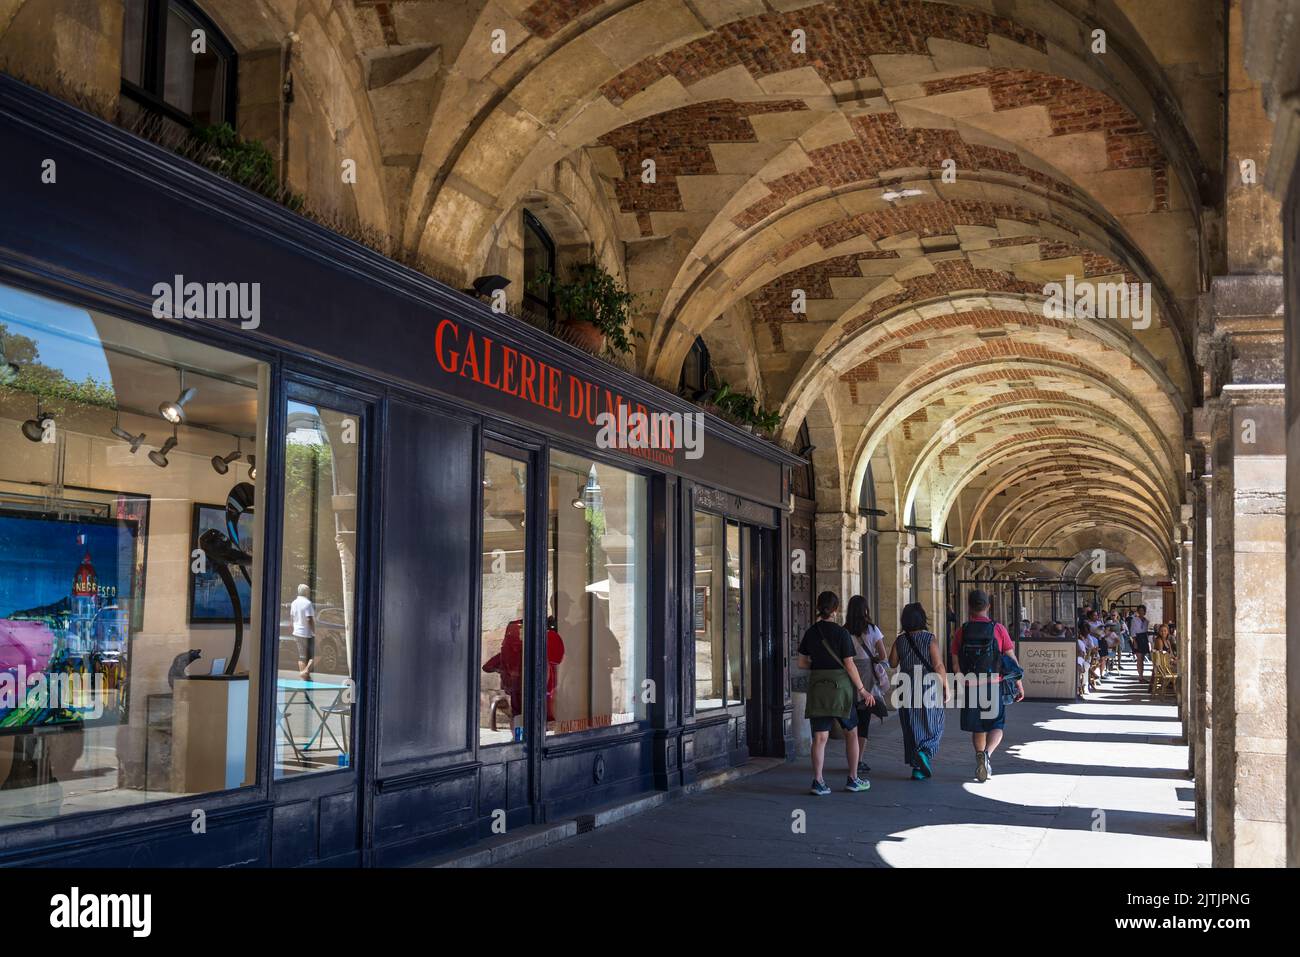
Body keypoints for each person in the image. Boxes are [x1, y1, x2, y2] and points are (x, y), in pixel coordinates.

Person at [798, 591, 874, 795]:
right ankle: (853, 778)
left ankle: (818, 781)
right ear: (836, 609)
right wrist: (862, 689)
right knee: (851, 732)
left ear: (818, 607)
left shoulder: (811, 632)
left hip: (818, 687)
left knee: (820, 737)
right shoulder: (841, 633)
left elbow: (802, 662)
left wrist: (819, 664)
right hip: (840, 689)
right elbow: (849, 664)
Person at [951, 589, 1023, 782]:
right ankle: (987, 755)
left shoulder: (962, 630)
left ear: (969, 606)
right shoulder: (998, 629)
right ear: (988, 606)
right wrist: (1019, 683)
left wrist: (960, 681)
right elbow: (1010, 658)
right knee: (997, 725)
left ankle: (980, 756)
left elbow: (955, 661)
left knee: (978, 726)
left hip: (971, 685)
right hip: (994, 684)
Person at [888, 602, 948, 779]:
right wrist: (946, 687)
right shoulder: (929, 638)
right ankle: (925, 752)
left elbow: (892, 663)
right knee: (935, 721)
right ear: (922, 618)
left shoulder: (900, 640)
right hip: (928, 684)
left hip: (905, 684)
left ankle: (917, 767)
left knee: (911, 724)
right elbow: (938, 665)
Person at [845, 595, 889, 776]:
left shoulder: (844, 631)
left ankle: (850, 760)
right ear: (865, 610)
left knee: (850, 720)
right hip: (867, 679)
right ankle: (859, 760)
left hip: (848, 676)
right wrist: (874, 660)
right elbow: (883, 655)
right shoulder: (872, 629)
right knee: (864, 721)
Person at [289, 583, 316, 679]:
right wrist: (314, 631)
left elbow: (291, 619)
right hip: (306, 633)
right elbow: (309, 619)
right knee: (318, 654)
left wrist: (293, 628)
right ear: (306, 592)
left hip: (297, 632)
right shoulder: (307, 603)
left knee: (301, 656)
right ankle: (305, 672)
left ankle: (304, 677)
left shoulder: (294, 603)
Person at [1128, 604, 1151, 680]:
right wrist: (1135, 641)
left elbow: (1146, 631)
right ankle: (1140, 676)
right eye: (1140, 611)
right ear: (1138, 611)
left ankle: (1142, 675)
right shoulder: (1134, 620)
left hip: (1144, 638)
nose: (1141, 612)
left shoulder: (1146, 621)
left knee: (1142, 658)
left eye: (1143, 611)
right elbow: (1132, 631)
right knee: (1139, 658)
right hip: (1137, 638)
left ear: (1145, 612)